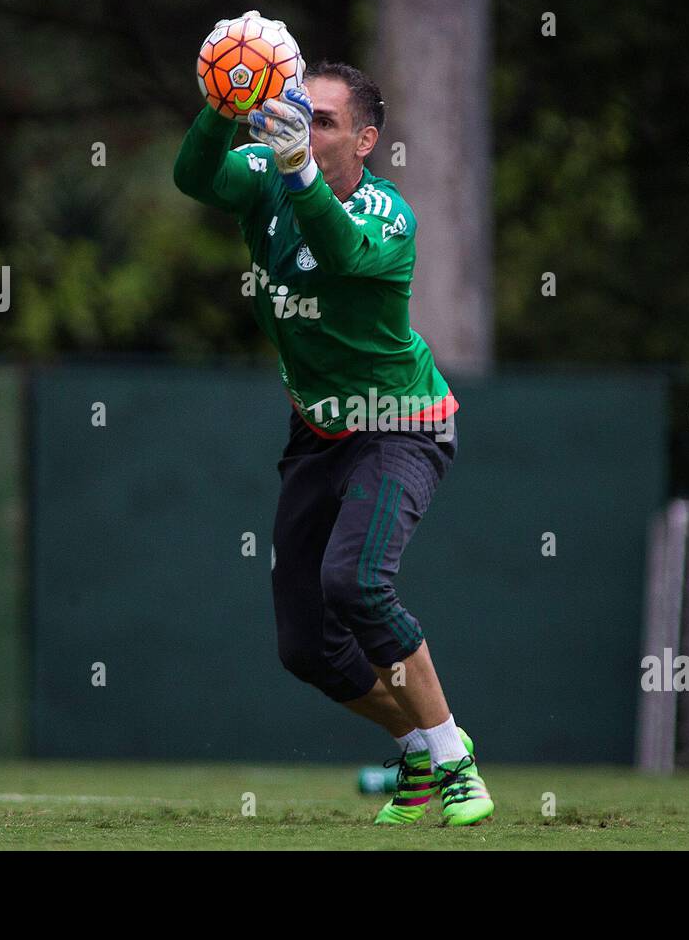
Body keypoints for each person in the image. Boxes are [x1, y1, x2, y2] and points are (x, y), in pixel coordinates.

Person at [172, 47, 493, 826]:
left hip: (399, 425)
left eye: (322, 121)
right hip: (317, 430)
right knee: (303, 646)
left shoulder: (389, 216)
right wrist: (223, 101)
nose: (302, 131)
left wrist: (298, 173)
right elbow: (193, 179)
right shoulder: (267, 175)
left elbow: (343, 252)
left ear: (364, 141)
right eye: (294, 112)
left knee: (355, 583)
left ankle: (455, 762)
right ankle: (421, 747)